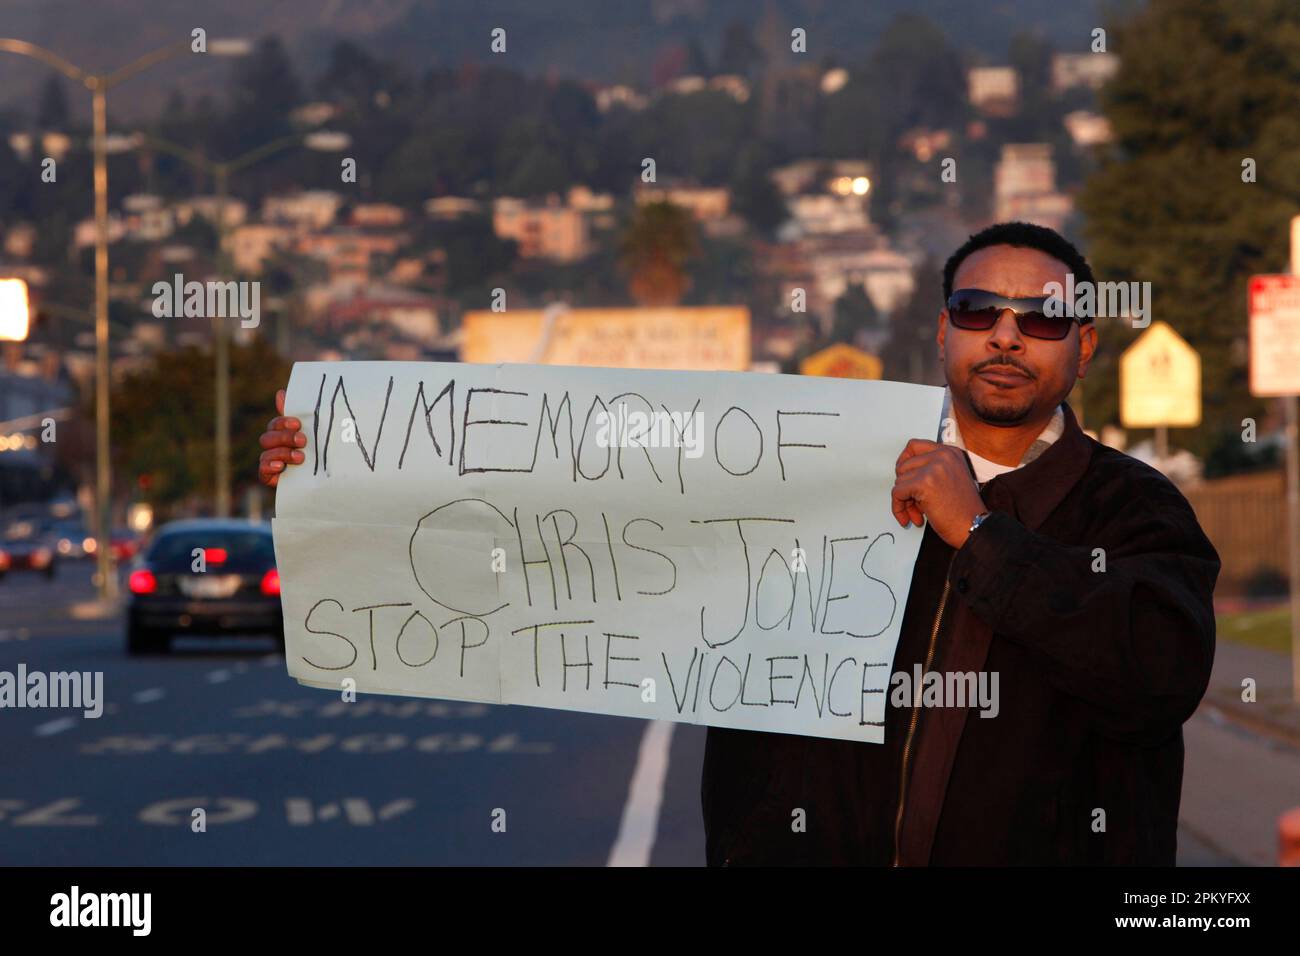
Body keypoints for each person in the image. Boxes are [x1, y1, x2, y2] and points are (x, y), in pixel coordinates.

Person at [257, 221, 1221, 866]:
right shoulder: (821, 472)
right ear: (943, 332)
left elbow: (1158, 671)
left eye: (1043, 317)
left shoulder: (1135, 511)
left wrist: (979, 534)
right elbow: (563, 528)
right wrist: (341, 471)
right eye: (979, 312)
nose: (1008, 335)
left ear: (1083, 347)